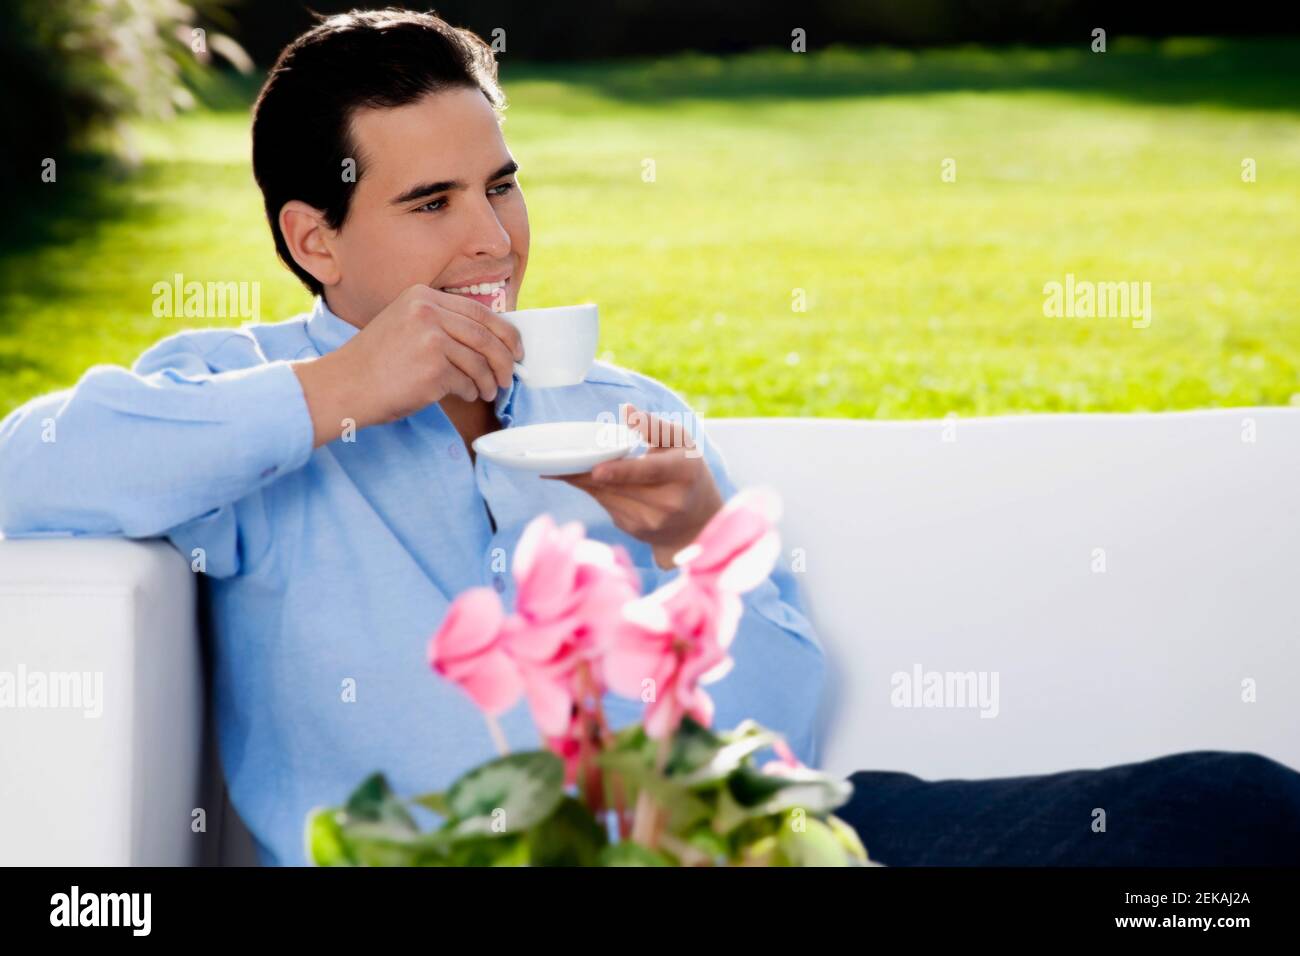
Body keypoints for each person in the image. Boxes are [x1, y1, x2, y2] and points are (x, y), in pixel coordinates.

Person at [1, 9, 1295, 868]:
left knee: (1223, 813)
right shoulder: (243, 398)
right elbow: (30, 468)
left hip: (752, 846)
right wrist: (341, 388)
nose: (494, 241)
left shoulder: (611, 406)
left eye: (503, 185)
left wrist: (697, 547)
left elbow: (781, 717)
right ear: (312, 239)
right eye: (434, 201)